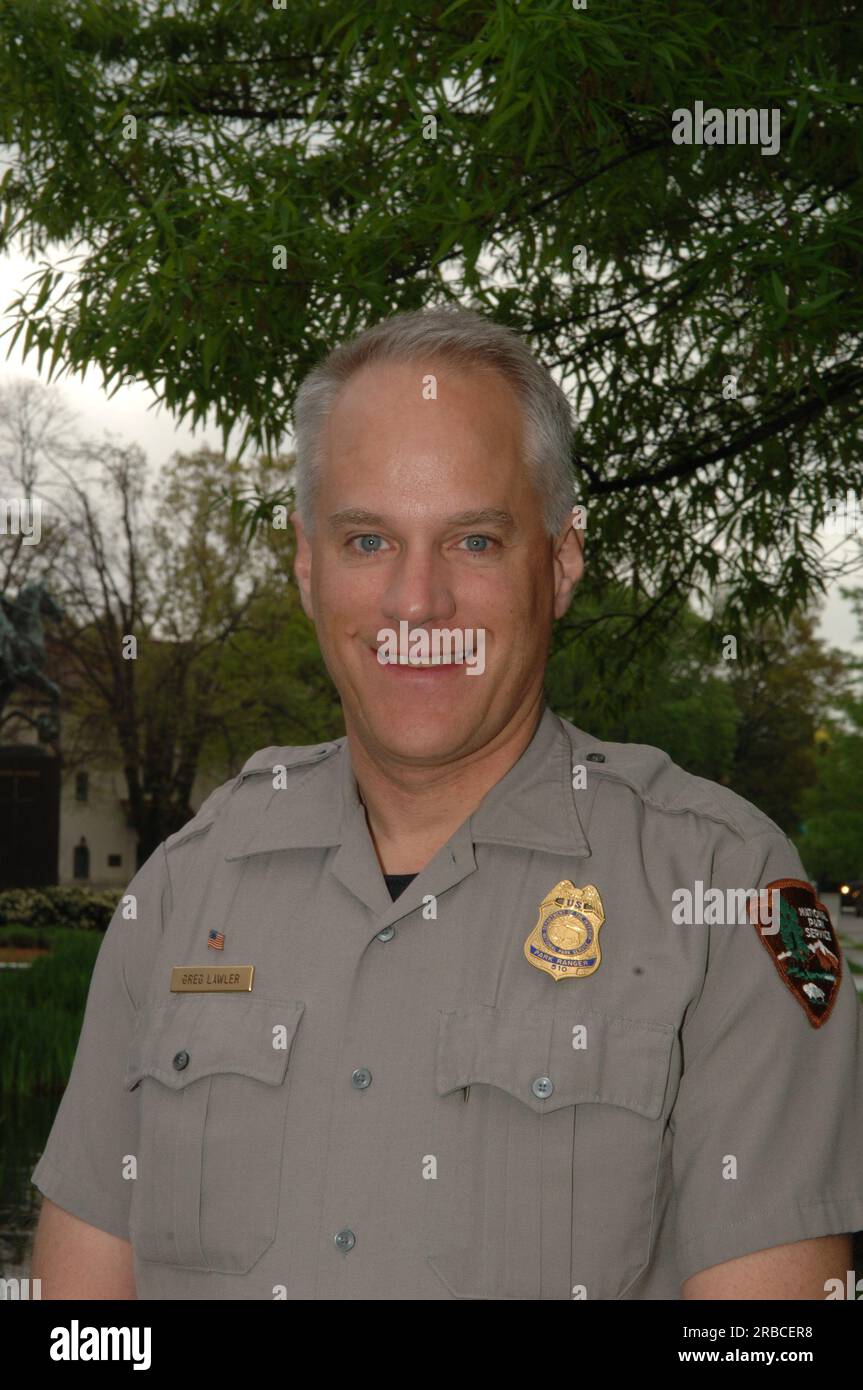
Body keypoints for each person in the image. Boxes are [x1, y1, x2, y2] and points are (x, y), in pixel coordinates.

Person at [30, 307, 863, 1300]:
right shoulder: (178, 893)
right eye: (368, 539)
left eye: (471, 540)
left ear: (558, 563)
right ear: (306, 564)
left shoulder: (732, 895)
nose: (415, 603)